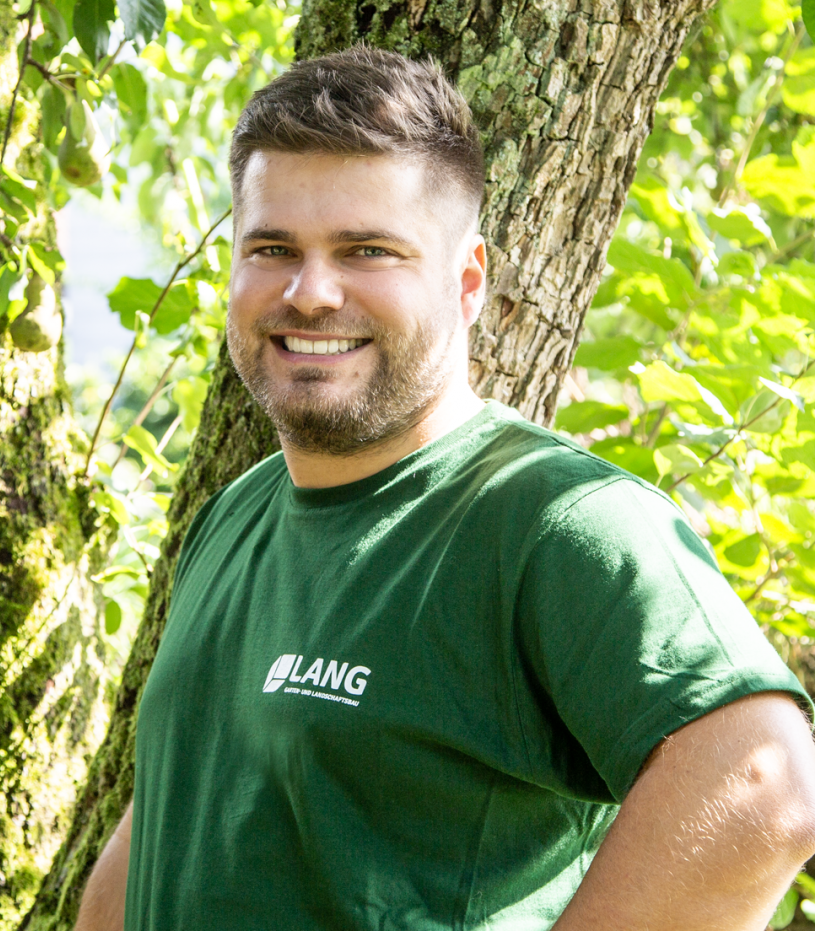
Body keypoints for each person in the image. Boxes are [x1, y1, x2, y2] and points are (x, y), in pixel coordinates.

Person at [76, 46, 815, 931]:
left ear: (467, 284)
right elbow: (177, 807)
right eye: (272, 248)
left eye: (368, 251)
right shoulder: (234, 517)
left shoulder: (555, 521)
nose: (311, 292)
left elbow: (763, 788)